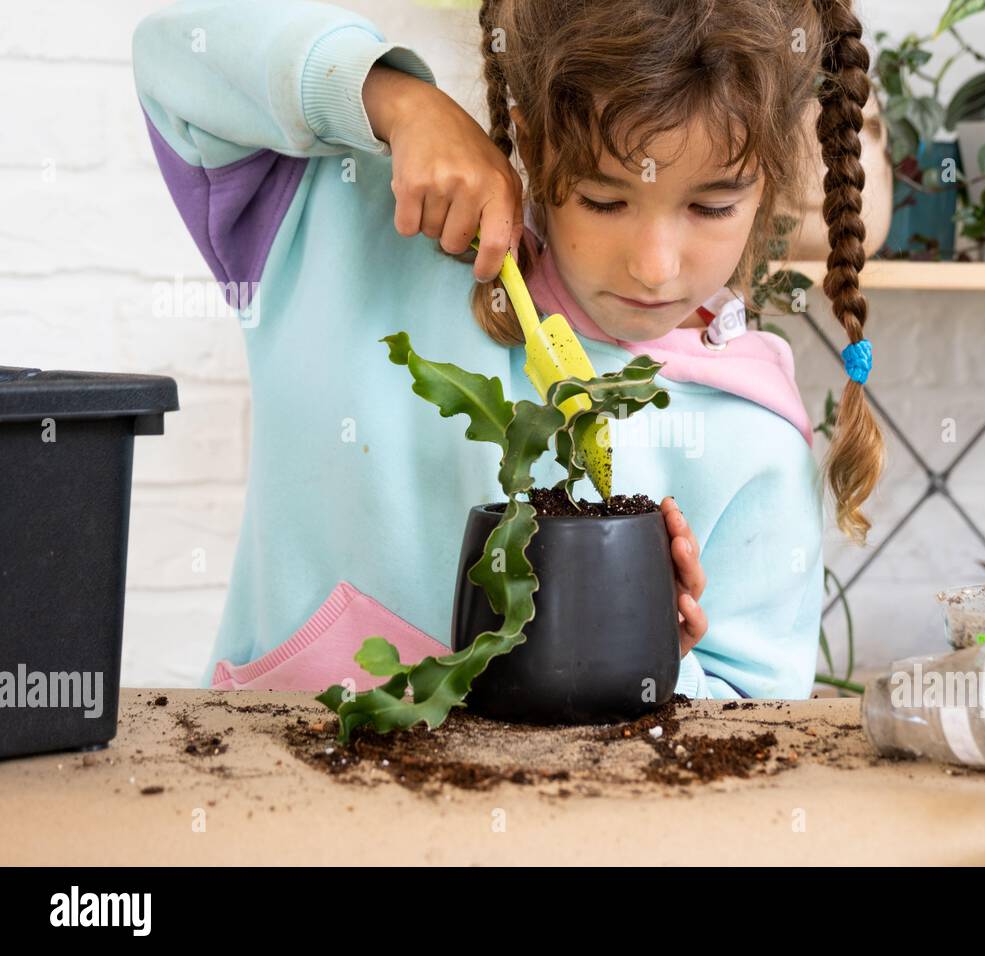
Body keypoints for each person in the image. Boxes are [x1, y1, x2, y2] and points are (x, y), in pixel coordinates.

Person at [131, 0, 883, 699]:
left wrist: (647, 656)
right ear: (529, 139)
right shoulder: (342, 222)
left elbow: (753, 711)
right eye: (604, 198)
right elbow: (176, 55)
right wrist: (399, 101)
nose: (654, 265)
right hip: (268, 807)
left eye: (713, 204)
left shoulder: (754, 438)